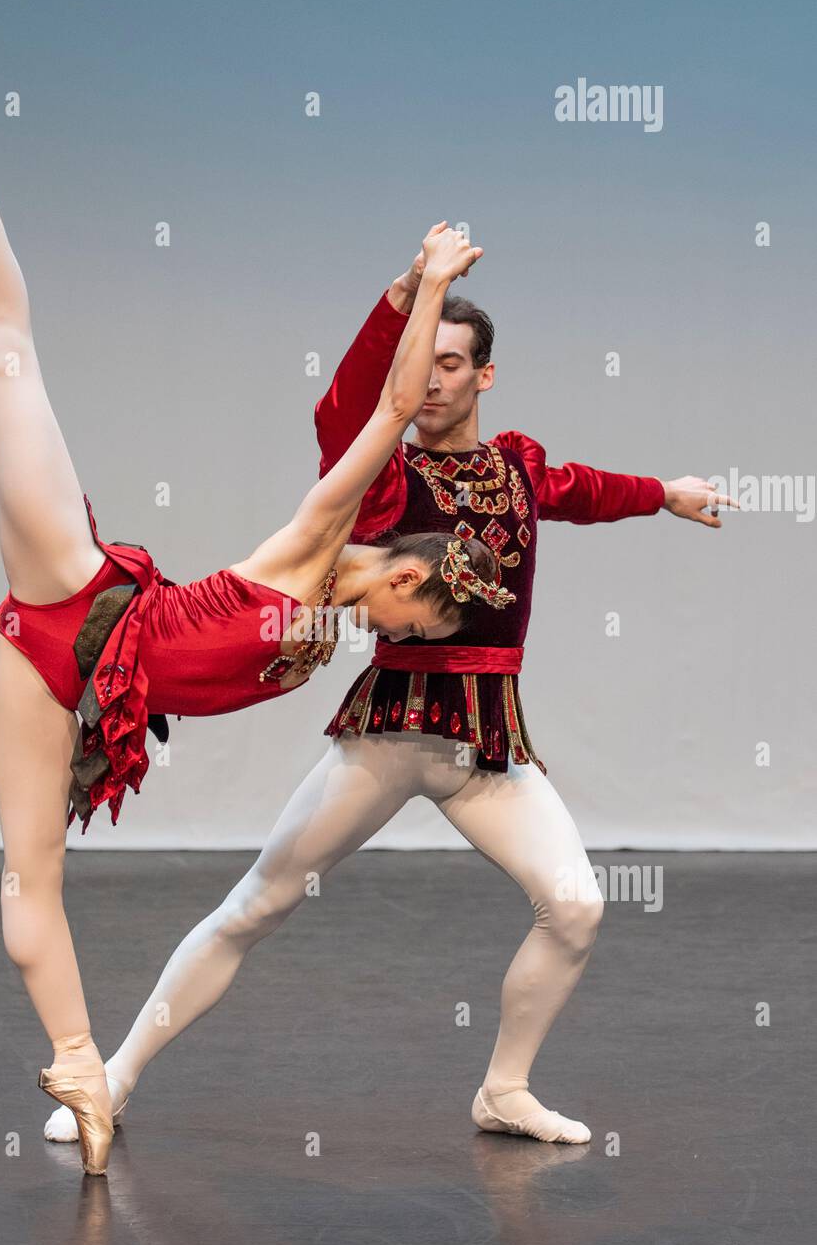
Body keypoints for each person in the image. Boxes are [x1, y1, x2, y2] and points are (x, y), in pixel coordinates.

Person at [0, 32, 496, 1175]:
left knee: (28, 876)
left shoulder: (327, 629)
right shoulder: (318, 538)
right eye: (416, 620)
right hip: (75, 596)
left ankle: (82, 1067)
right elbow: (383, 412)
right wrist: (424, 286)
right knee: (7, 355)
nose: (398, 639)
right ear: (402, 573)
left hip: (56, 682)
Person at [44, 237, 734, 1150]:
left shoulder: (516, 466)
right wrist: (405, 296)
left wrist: (663, 493)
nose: (434, 383)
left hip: (487, 747)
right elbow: (341, 412)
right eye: (426, 363)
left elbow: (580, 488)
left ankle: (503, 1089)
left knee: (574, 905)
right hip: (392, 730)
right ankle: (114, 1079)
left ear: (485, 375)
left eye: (452, 364)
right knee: (257, 904)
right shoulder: (381, 485)